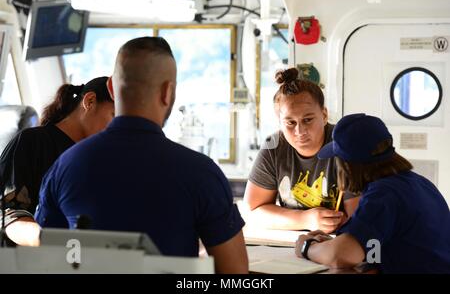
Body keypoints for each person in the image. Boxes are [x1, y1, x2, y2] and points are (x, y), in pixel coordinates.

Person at [35, 37, 248, 274]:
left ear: (111, 88)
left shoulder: (65, 166)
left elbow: (46, 258)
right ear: (168, 92)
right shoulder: (202, 173)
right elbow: (234, 274)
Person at [295, 113, 450, 273]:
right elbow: (379, 248)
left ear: (347, 165)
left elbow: (339, 256)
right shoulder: (420, 184)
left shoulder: (382, 195)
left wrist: (307, 247)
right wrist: (344, 242)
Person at [0, 76, 114, 246]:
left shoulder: (97, 164)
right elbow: (9, 215)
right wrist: (54, 243)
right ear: (89, 101)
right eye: (114, 116)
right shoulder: (33, 142)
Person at [243, 68, 358, 233]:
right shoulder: (273, 146)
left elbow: (357, 218)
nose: (300, 131)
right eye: (290, 122)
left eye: (308, 120)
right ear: (279, 122)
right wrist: (306, 220)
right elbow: (252, 212)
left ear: (324, 115)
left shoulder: (346, 145)